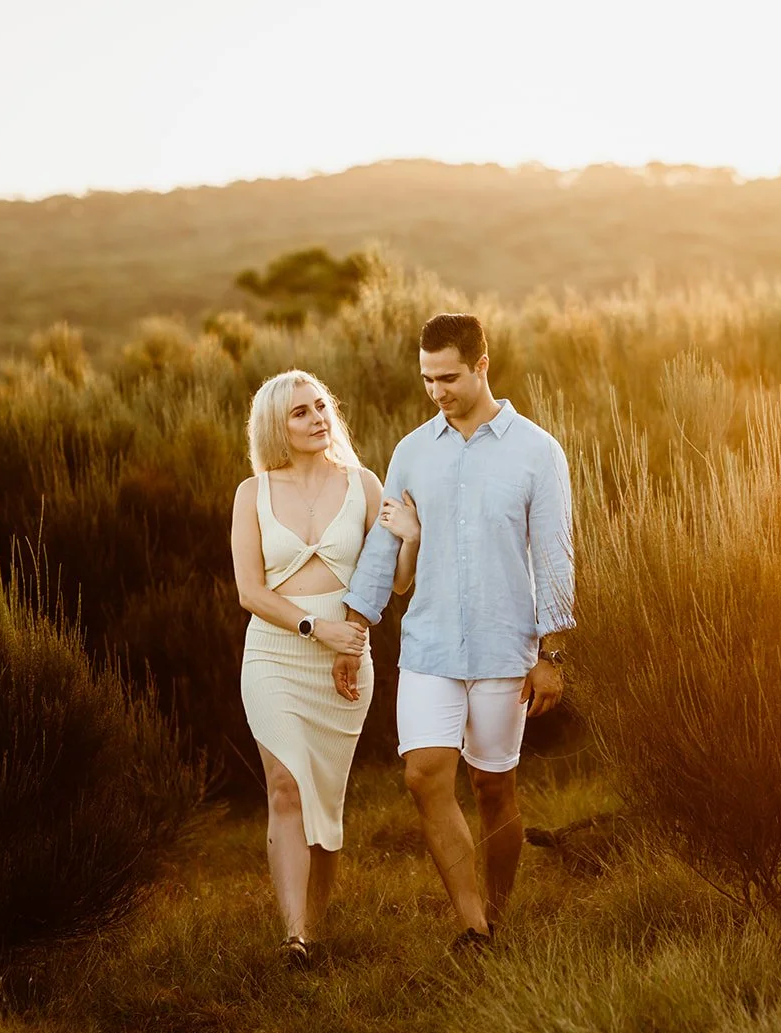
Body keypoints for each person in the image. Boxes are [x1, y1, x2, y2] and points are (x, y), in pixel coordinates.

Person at [340, 312, 575, 951]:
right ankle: (471, 924)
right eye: (426, 379)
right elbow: (386, 545)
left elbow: (554, 554)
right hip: (430, 646)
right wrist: (356, 624)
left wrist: (551, 652)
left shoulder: (537, 451)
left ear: (482, 365)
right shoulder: (413, 451)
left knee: (493, 785)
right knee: (423, 776)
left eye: (448, 377)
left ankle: (496, 917)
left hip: (506, 648)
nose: (437, 391)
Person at [230, 370, 419, 968]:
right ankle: (295, 937)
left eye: (319, 407)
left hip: (347, 658)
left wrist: (409, 540)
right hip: (276, 653)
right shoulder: (251, 494)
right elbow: (250, 593)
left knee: (326, 801)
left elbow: (395, 582)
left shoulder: (363, 484)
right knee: (286, 789)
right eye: (299, 413)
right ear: (274, 428)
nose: (316, 419)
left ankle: (315, 928)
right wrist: (316, 627)